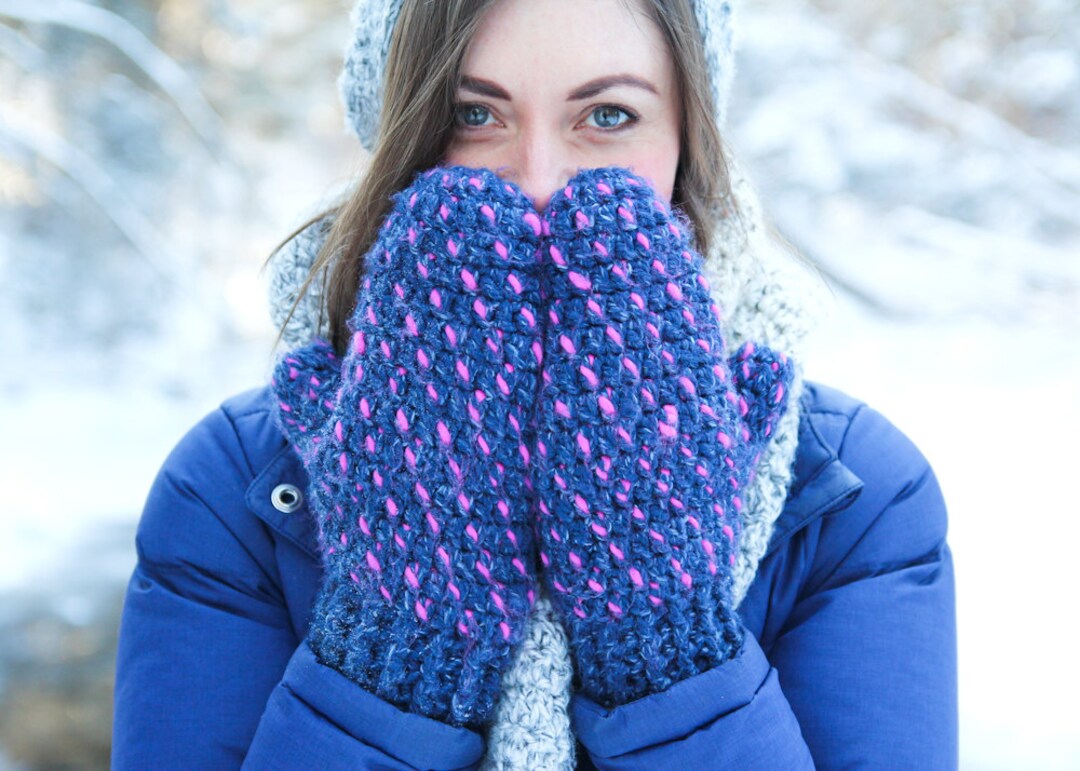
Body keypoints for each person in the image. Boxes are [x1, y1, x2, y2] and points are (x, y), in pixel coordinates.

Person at [111, 0, 958, 768]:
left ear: (689, 140)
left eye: (610, 115)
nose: (540, 177)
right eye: (474, 115)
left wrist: (662, 640)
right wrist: (399, 646)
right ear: (398, 134)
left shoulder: (853, 493)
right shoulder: (234, 486)